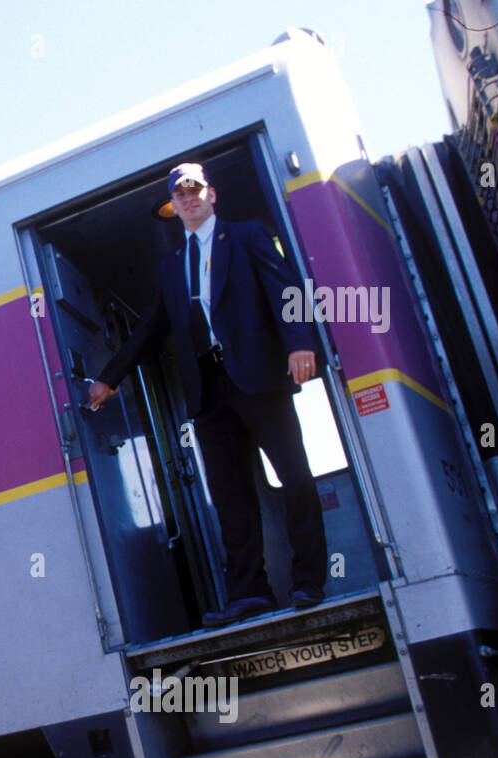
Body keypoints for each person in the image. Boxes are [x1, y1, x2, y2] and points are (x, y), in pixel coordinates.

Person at [88, 162, 327, 629]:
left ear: (211, 195)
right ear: (173, 207)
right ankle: (249, 594)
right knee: (230, 495)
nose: (189, 198)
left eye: (195, 190)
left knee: (294, 475)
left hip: (258, 376)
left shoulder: (247, 236)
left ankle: (308, 581)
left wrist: (300, 342)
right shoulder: (170, 267)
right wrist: (110, 376)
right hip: (208, 389)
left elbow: (285, 290)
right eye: (180, 195)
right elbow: (150, 328)